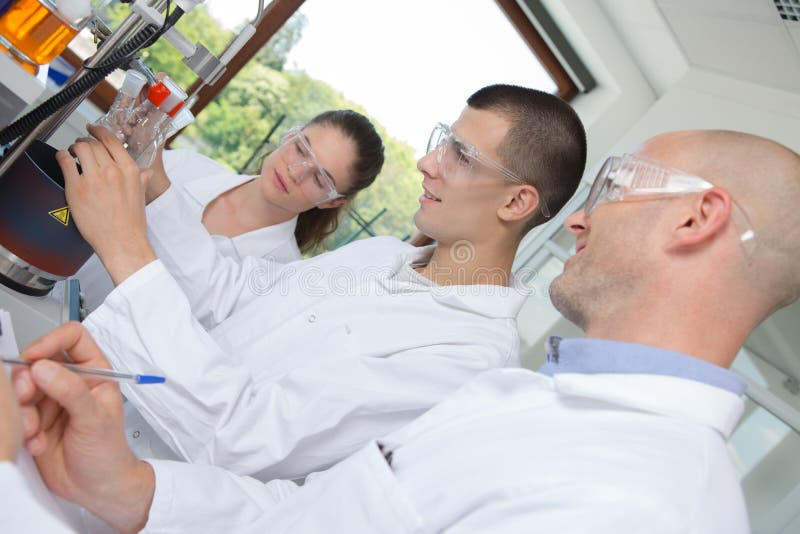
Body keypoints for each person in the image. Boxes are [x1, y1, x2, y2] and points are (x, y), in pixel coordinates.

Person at [7, 129, 799, 532]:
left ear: (697, 217)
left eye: (616, 187)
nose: (580, 220)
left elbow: (249, 436)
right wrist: (135, 489)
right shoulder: (516, 396)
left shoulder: (647, 506)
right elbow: (313, 519)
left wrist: (127, 246)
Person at [59, 85, 587, 479]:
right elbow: (227, 294)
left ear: (516, 202)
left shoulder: (469, 361)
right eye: (443, 142)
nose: (427, 163)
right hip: (97, 426)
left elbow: (246, 437)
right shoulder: (381, 254)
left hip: (147, 491)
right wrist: (154, 187)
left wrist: (125, 246)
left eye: (462, 156)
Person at [74, 109, 386, 315]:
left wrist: (155, 181)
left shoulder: (279, 276)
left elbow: (200, 310)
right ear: (290, 135)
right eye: (301, 148)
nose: (296, 171)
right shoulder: (188, 167)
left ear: (331, 202)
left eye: (319, 179)